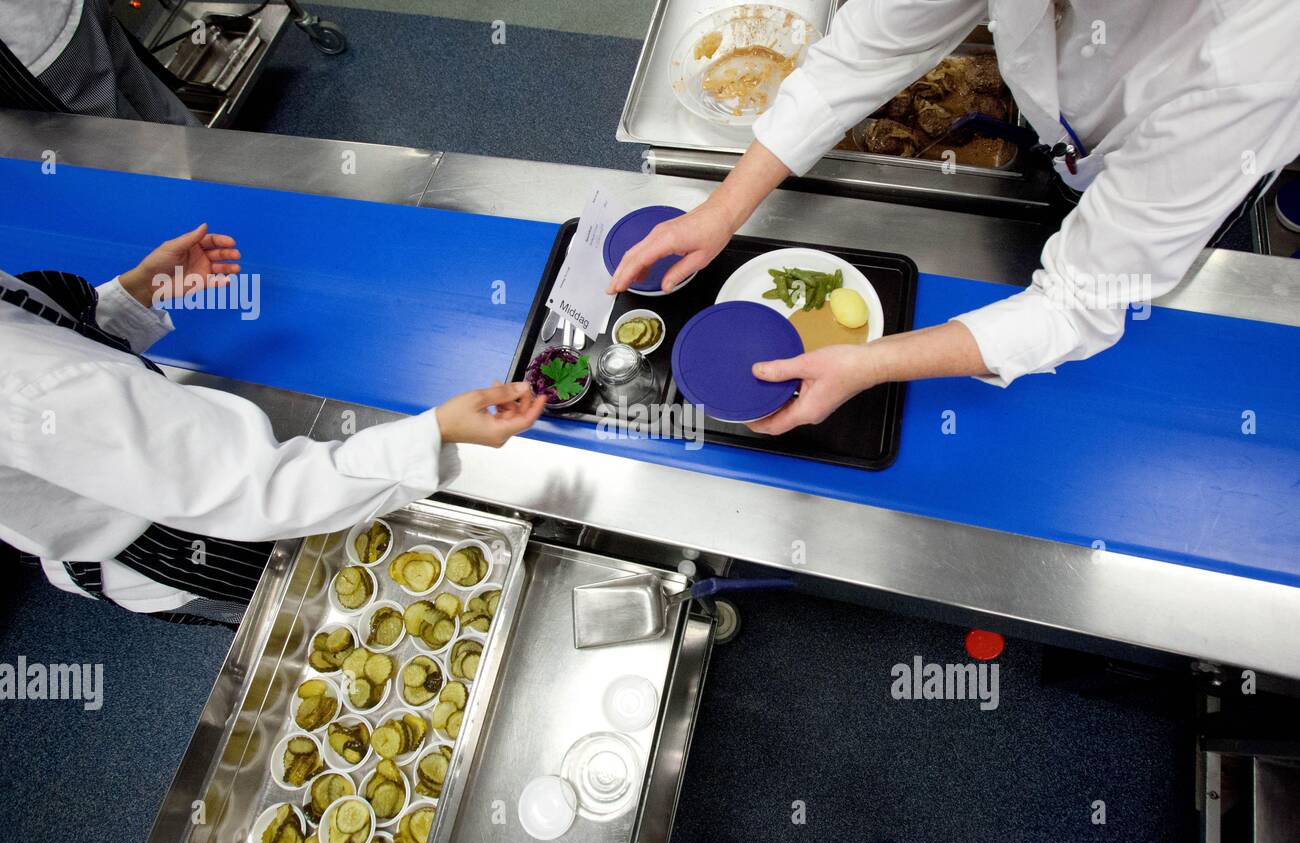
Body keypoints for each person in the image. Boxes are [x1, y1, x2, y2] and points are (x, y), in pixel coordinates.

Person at [608, 0, 1300, 435]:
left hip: (1183, 150)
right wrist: (721, 210)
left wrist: (869, 365)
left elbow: (1078, 302)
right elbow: (862, 53)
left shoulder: (1256, 52)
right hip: (1070, 130)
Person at [0, 225, 545, 626]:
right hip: (177, 538)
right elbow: (263, 489)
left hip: (157, 474)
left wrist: (132, 296)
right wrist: (436, 432)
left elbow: (53, 336)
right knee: (326, 608)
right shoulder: (27, 389)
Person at [0, 0, 197, 124]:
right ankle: (210, 166)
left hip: (39, 51)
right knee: (154, 103)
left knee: (131, 150)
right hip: (68, 13)